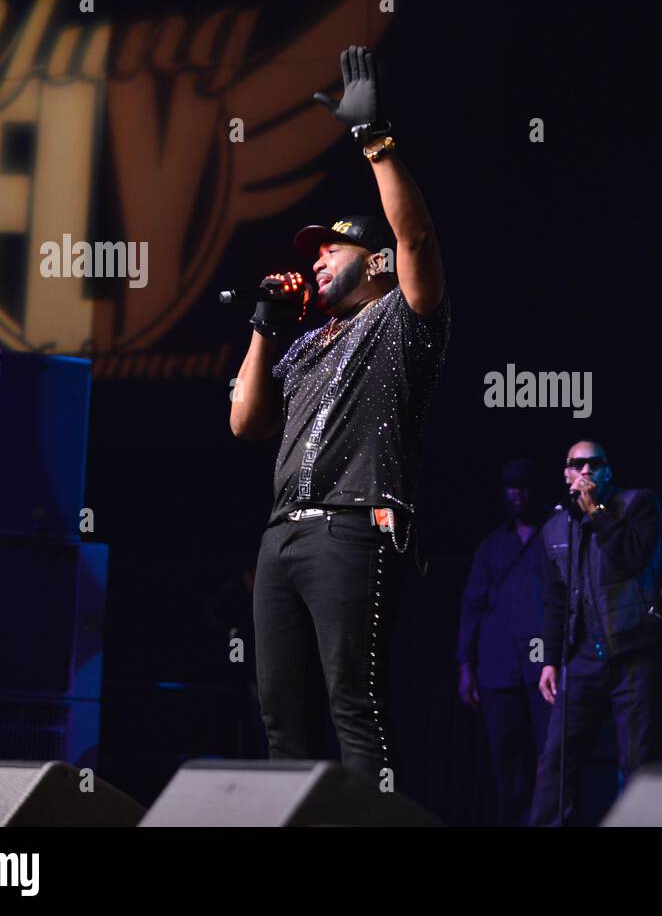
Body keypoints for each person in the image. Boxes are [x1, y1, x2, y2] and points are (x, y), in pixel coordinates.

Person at [228, 45, 450, 780]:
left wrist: (375, 143)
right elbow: (245, 422)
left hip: (353, 527)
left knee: (355, 701)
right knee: (280, 712)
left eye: (334, 249)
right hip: (281, 533)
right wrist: (265, 323)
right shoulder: (306, 342)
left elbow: (415, 237)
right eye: (314, 253)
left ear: (376, 261)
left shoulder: (400, 318)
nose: (318, 259)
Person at [529, 441, 662, 825]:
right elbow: (556, 599)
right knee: (556, 758)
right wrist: (550, 661)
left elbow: (634, 557)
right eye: (577, 464)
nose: (585, 471)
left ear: (609, 472)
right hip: (582, 658)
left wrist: (597, 513)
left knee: (639, 761)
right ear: (566, 473)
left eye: (594, 464)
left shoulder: (638, 504)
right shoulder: (555, 527)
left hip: (633, 650)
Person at [457, 458, 551, 825]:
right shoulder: (492, 545)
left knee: (546, 755)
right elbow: (471, 607)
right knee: (506, 760)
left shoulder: (555, 534)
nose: (517, 495)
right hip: (498, 669)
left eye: (523, 487)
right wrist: (466, 667)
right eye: (511, 487)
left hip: (542, 669)